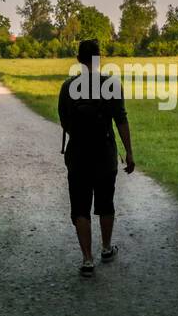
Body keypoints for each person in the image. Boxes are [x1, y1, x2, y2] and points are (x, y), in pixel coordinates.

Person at [58, 39, 135, 277]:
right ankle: (106, 248)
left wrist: (79, 136)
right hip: (105, 152)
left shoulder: (68, 86)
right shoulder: (110, 84)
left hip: (78, 153)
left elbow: (64, 120)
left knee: (80, 206)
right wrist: (129, 153)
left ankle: (87, 260)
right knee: (105, 202)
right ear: (99, 58)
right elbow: (121, 120)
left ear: (79, 59)